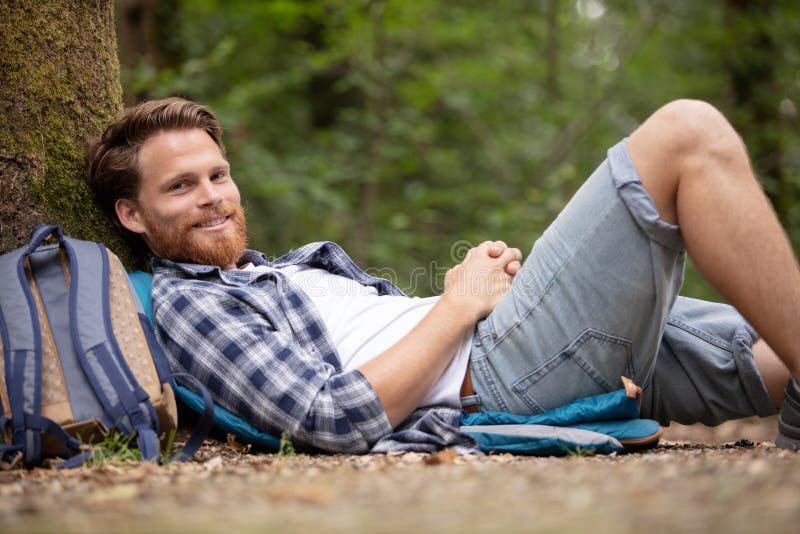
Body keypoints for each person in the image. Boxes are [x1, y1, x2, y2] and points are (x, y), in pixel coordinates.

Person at [86, 97, 800, 453]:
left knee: (779, 353)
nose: (211, 194)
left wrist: (487, 296)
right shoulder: (188, 303)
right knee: (686, 132)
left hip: (513, 341)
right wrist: (459, 306)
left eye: (218, 174)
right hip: (497, 371)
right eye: (181, 186)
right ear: (132, 215)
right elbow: (328, 417)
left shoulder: (280, 270)